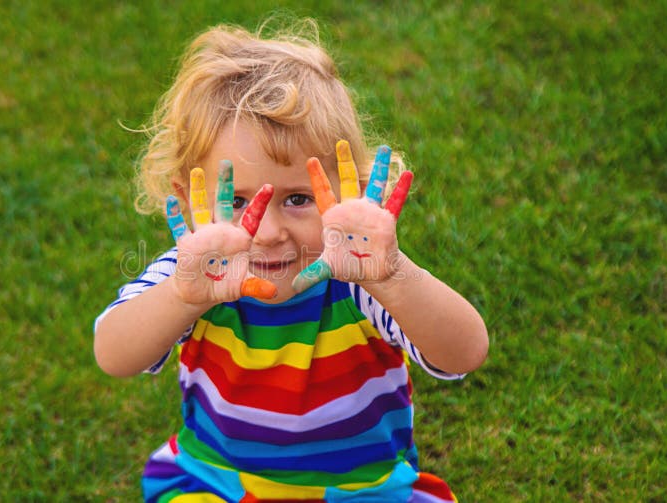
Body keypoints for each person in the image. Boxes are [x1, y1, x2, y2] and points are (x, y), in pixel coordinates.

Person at [94, 19, 488, 502]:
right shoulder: (197, 271)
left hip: (361, 491)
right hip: (221, 483)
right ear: (189, 197)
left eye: (299, 198)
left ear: (352, 189)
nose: (271, 232)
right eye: (236, 202)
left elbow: (465, 353)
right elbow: (113, 355)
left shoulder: (358, 275)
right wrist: (181, 295)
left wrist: (393, 274)